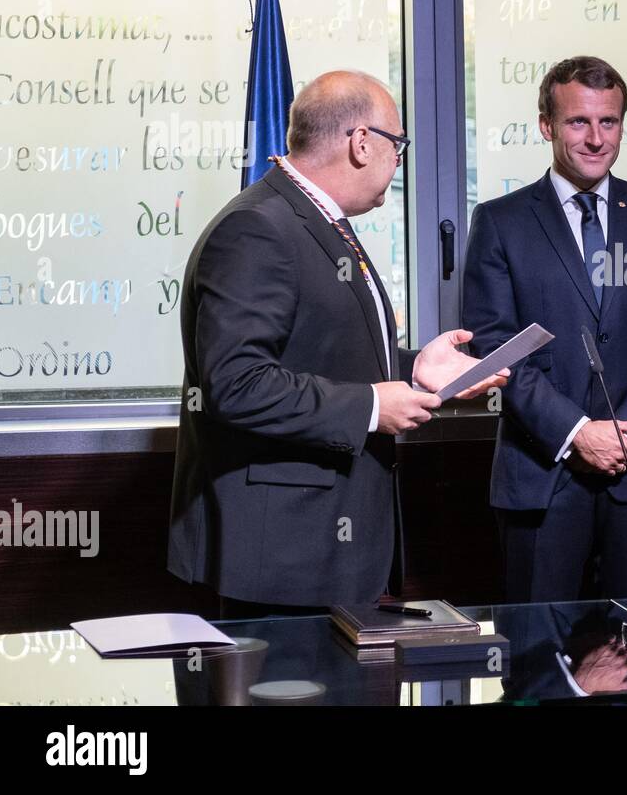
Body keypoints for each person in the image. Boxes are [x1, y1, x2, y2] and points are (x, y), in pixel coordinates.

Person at [169, 70, 505, 617]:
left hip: (323, 549)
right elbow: (237, 385)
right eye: (398, 146)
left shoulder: (321, 223)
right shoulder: (258, 228)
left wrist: (418, 367)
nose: (399, 161)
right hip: (283, 556)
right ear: (361, 141)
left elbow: (321, 353)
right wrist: (374, 406)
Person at [462, 55, 627, 603]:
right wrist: (577, 433)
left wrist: (625, 433)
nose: (596, 139)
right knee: (537, 663)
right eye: (578, 122)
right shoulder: (501, 224)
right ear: (547, 125)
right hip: (542, 481)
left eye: (609, 122)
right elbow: (497, 348)